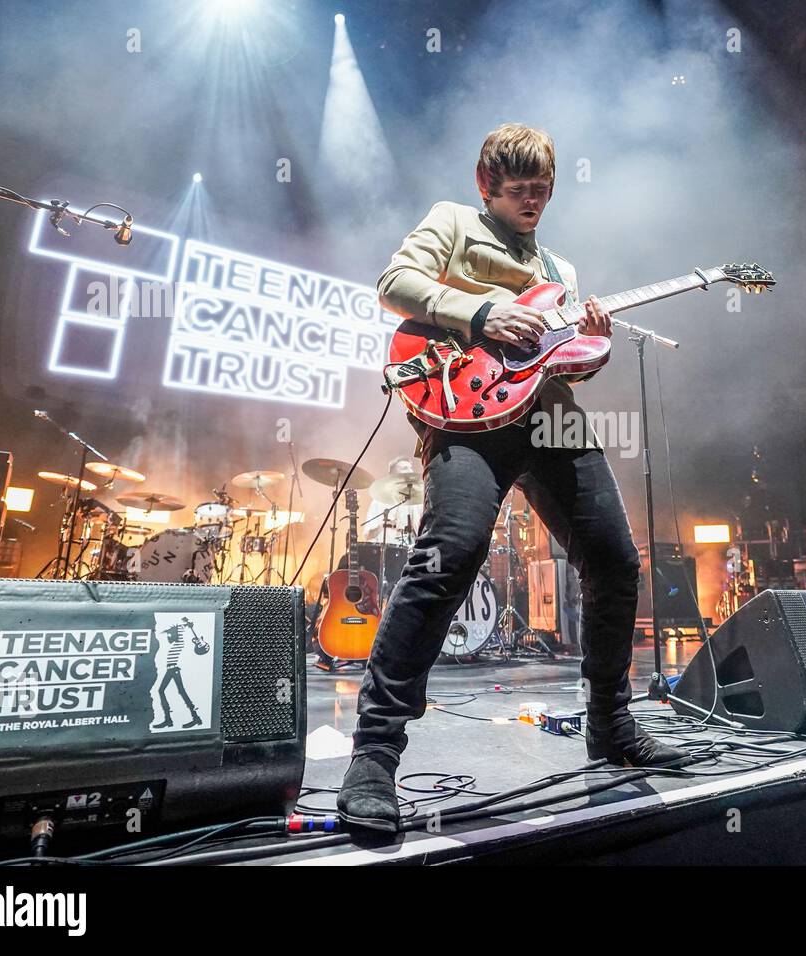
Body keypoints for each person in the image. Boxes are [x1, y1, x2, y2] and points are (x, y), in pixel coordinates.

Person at [337, 124, 687, 832]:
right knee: (450, 556)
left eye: (543, 191)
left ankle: (609, 723)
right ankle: (374, 755)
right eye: (520, 190)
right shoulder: (453, 221)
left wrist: (596, 343)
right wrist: (484, 312)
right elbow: (394, 284)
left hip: (550, 419)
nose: (533, 202)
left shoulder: (560, 265)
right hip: (468, 416)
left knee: (616, 561)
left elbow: (569, 358)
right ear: (486, 185)